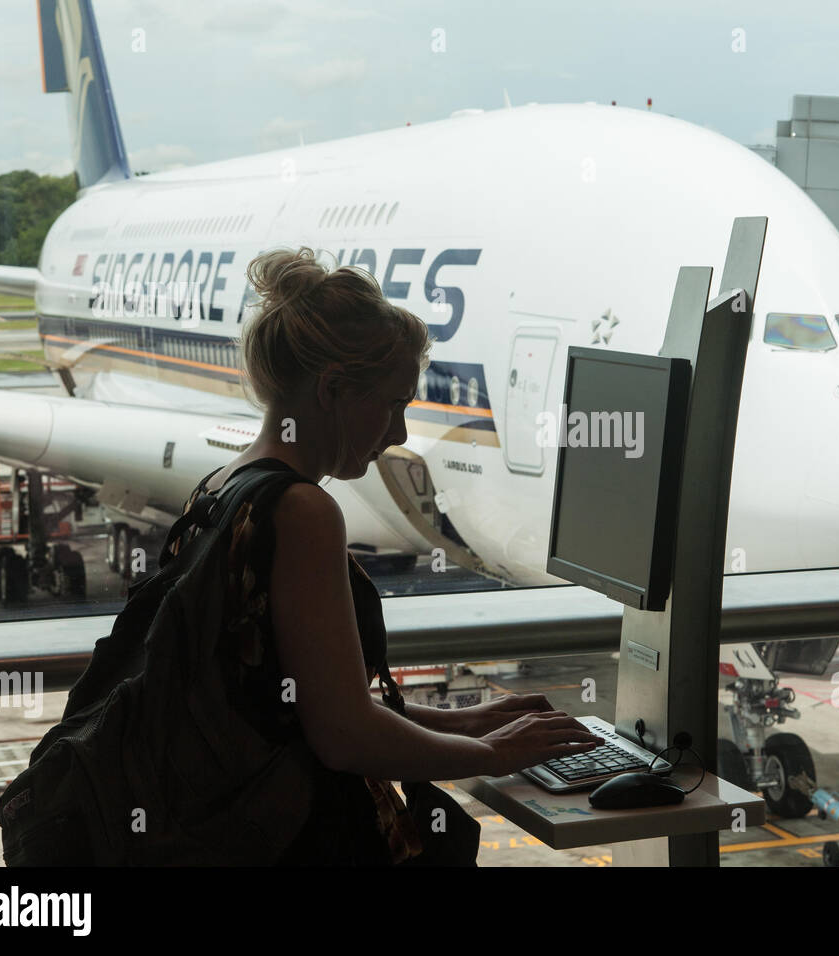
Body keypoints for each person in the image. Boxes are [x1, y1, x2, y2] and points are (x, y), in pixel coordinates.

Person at [172, 246, 604, 864]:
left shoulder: (220, 487)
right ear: (333, 390)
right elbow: (346, 738)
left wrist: (474, 719)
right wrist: (496, 755)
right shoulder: (303, 513)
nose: (399, 434)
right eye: (394, 404)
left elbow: (309, 707)